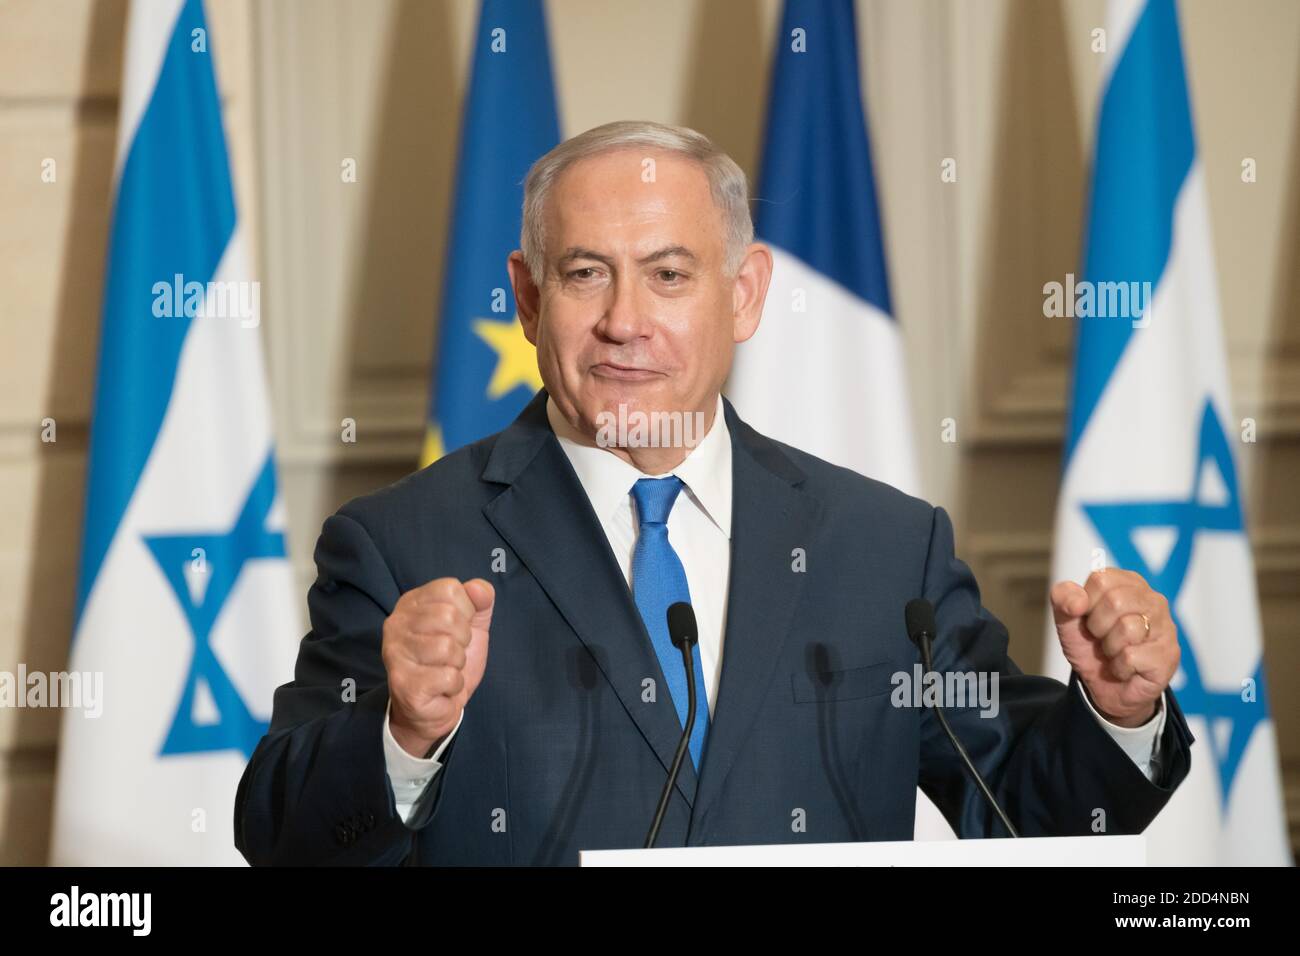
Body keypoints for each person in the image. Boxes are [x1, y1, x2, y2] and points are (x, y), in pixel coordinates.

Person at [234, 121, 1191, 866]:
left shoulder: (885, 550)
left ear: (743, 294)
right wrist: (404, 734)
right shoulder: (399, 544)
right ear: (528, 299)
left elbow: (1027, 809)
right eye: (584, 275)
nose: (624, 323)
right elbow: (285, 842)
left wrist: (1117, 717)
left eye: (668, 275)